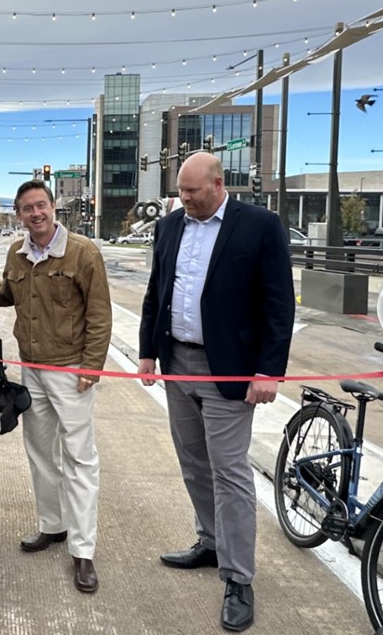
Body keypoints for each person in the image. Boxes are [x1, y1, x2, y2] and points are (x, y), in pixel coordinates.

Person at [138, 152, 295, 632]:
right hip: (177, 360)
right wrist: (147, 351)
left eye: (193, 192)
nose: (185, 199)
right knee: (193, 463)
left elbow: (278, 301)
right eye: (180, 192)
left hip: (228, 369)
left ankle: (238, 577)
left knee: (229, 472)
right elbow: (155, 292)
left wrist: (269, 371)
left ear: (219, 184)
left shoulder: (260, 226)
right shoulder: (170, 227)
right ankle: (210, 542)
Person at [0, 179, 111, 594]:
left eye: (41, 206)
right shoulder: (17, 254)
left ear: (53, 207)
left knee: (79, 457)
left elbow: (99, 314)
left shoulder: (82, 253)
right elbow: (8, 292)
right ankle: (52, 526)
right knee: (40, 452)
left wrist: (91, 367)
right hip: (33, 368)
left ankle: (83, 550)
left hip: (71, 369)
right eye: (27, 208)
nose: (35, 214)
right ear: (18, 213)